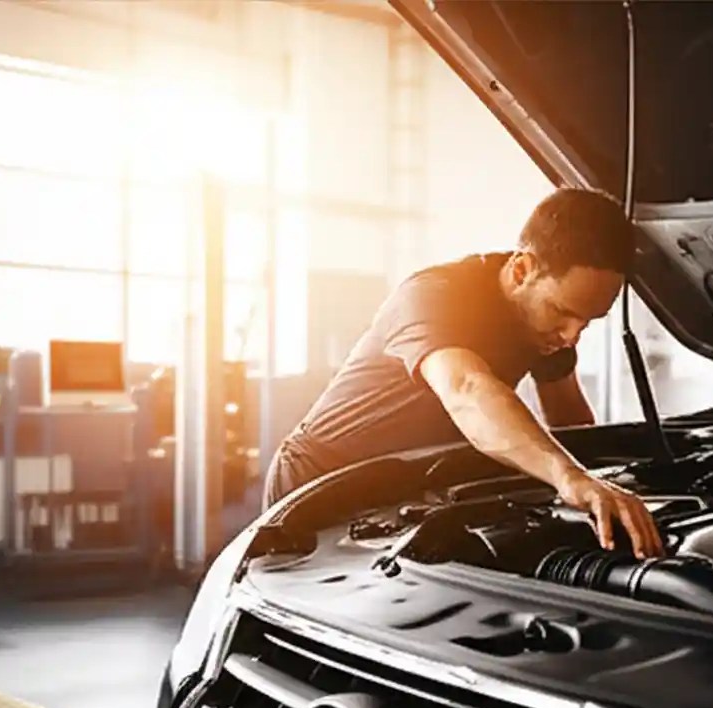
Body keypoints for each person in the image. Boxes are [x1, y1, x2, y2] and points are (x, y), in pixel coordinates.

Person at [264, 188, 663, 558]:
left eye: (588, 322)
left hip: (408, 485)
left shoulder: (546, 333)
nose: (572, 336)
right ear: (523, 270)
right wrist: (568, 477)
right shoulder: (435, 295)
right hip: (320, 481)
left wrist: (603, 486)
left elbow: (571, 422)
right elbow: (466, 388)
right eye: (563, 312)